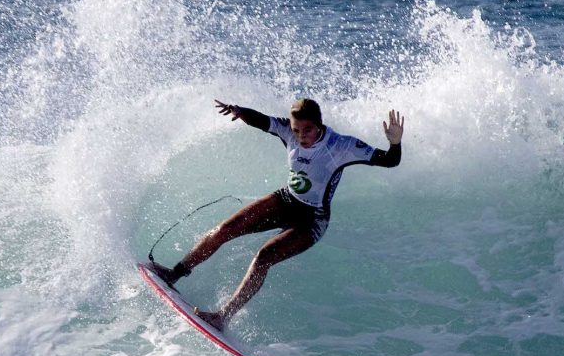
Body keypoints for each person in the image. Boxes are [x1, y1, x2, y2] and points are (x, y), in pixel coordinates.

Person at [150, 97, 404, 330]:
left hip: (312, 219)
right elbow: (262, 121)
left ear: (319, 125)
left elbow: (390, 160)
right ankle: (174, 274)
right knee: (226, 229)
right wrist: (239, 111)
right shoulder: (287, 131)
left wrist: (395, 142)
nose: (300, 136)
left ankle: (222, 317)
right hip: (286, 199)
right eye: (296, 130)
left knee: (264, 257)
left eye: (307, 130)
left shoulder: (341, 146)